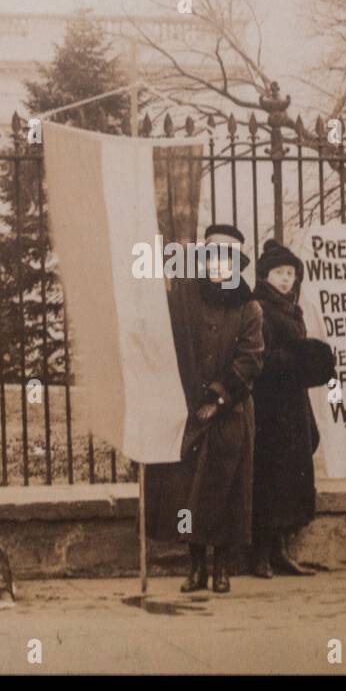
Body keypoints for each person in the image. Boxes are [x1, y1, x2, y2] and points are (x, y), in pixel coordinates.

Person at [145, 224, 264, 593]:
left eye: (226, 260)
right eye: (212, 258)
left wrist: (220, 397)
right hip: (189, 412)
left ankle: (221, 568)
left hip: (230, 412)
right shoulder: (184, 300)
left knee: (224, 492)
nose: (218, 267)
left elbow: (251, 359)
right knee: (188, 494)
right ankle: (195, 567)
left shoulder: (249, 307)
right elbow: (167, 340)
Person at [250, 240, 336, 578]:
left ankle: (281, 550)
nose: (286, 279)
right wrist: (299, 359)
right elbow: (259, 357)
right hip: (269, 406)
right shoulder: (258, 308)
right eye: (279, 273)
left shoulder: (292, 308)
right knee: (268, 478)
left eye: (290, 273)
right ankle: (260, 555)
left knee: (290, 478)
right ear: (265, 275)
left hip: (293, 405)